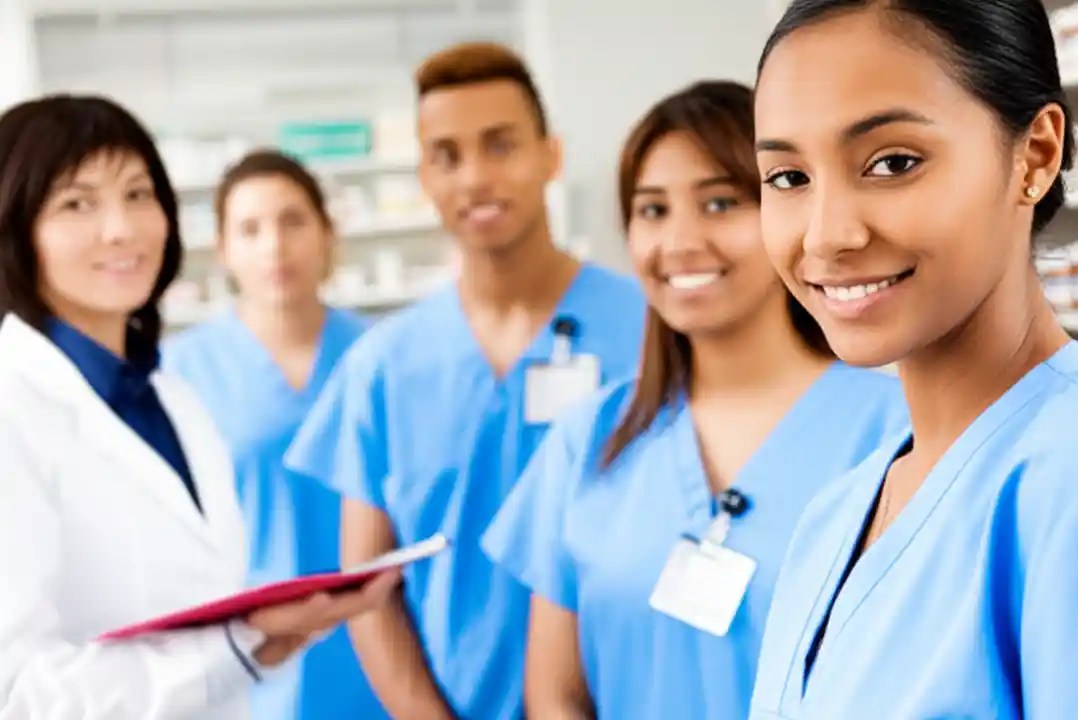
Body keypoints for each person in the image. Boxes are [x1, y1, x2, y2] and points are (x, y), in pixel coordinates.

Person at [747, 2, 1078, 719]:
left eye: (892, 163)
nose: (826, 235)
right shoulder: (839, 513)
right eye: (787, 178)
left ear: (1035, 156)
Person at [481, 80, 908, 720]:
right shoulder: (590, 437)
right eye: (652, 210)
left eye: (719, 203)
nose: (680, 242)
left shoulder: (896, 433)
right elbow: (556, 693)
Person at [0, 95, 399, 720]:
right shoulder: (14, 408)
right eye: (77, 204)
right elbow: (19, 694)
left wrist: (261, 642)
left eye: (137, 194)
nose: (121, 228)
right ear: (16, 231)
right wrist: (239, 646)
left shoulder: (168, 398)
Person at [285, 42, 647, 719]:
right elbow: (369, 591)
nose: (475, 177)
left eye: (500, 145)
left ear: (551, 155)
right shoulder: (382, 367)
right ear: (423, 174)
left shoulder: (648, 332)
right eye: (447, 155)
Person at [162, 150, 389, 720]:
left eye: (293, 221)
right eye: (250, 229)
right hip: (242, 661)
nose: (274, 246)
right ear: (223, 250)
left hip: (377, 653)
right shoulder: (178, 375)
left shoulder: (382, 357)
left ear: (327, 232)